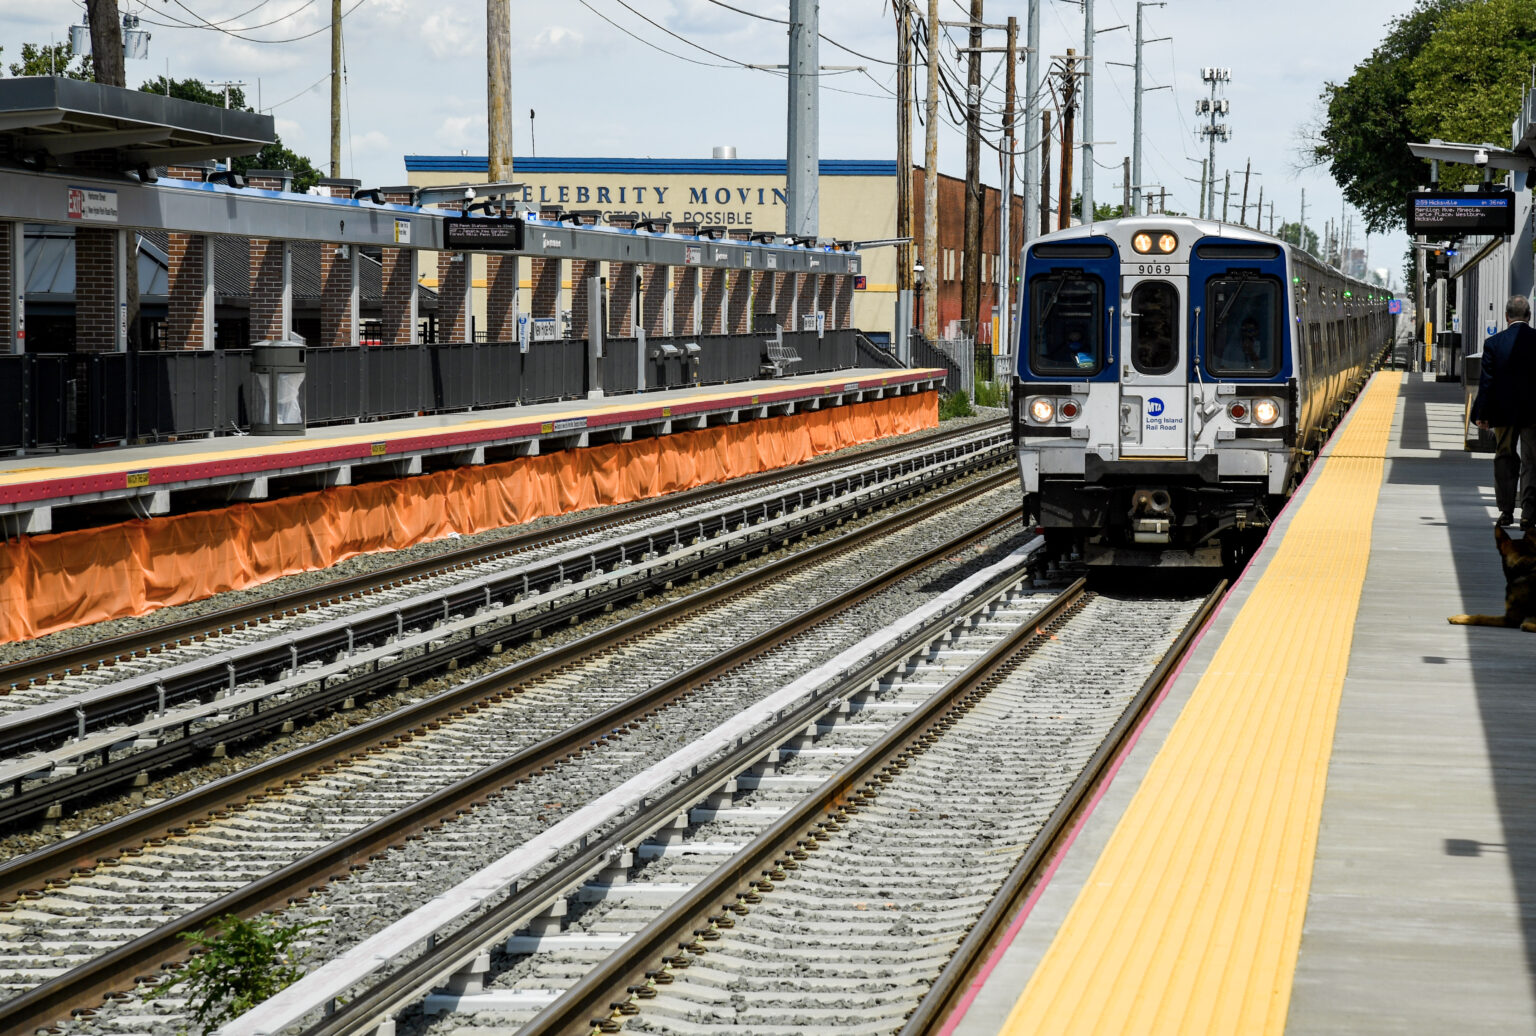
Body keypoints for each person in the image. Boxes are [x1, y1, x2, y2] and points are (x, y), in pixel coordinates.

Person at [1471, 295, 1536, 530]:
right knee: (1532, 461)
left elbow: (1487, 382)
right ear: (1529, 316)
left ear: (1506, 317)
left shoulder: (1493, 344)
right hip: (1533, 414)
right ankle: (1528, 514)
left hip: (1504, 413)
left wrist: (1482, 413)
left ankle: (1506, 511)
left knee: (1505, 456)